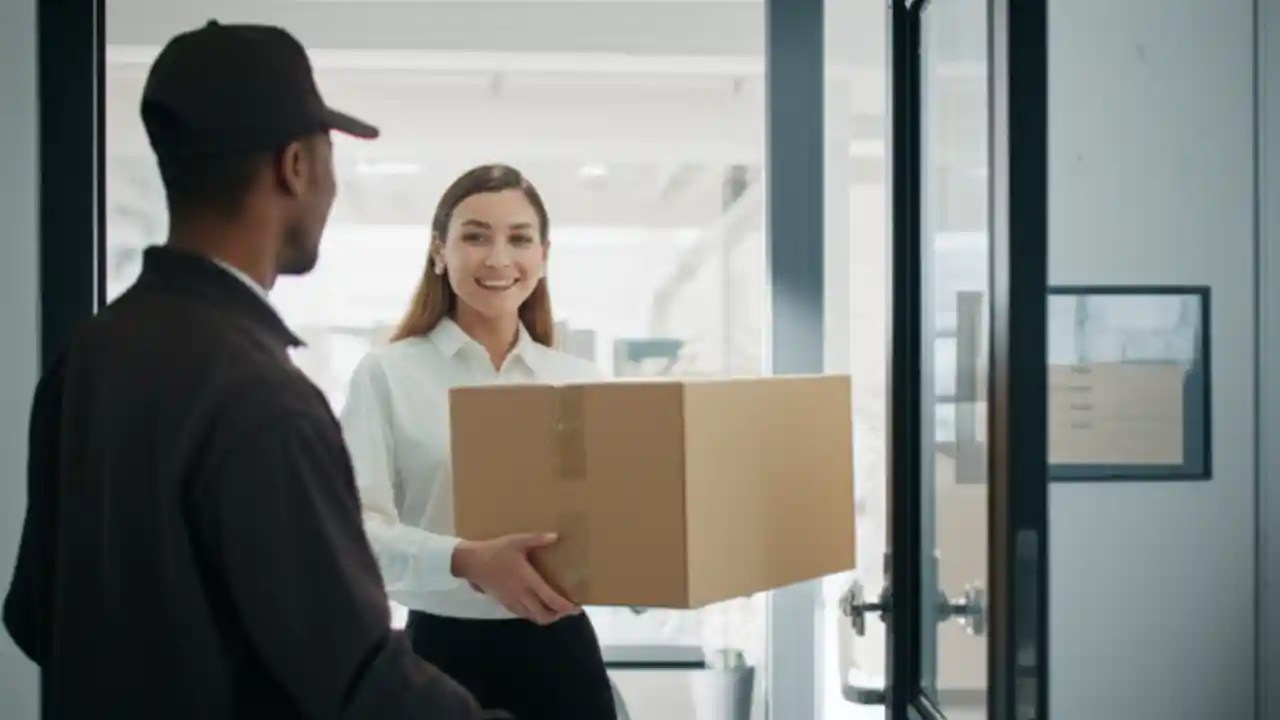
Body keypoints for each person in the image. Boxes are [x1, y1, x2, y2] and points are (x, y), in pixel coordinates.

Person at [3, 20, 507, 720]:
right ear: (294, 167)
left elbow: (30, 616)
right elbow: (353, 675)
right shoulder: (260, 395)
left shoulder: (89, 355)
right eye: (329, 158)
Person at [339, 164, 619, 720]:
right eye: (475, 236)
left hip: (563, 660)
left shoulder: (582, 380)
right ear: (439, 252)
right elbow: (351, 536)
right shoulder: (387, 375)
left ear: (543, 255)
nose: (498, 258)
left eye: (519, 238)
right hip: (439, 658)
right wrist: (464, 559)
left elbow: (612, 524)